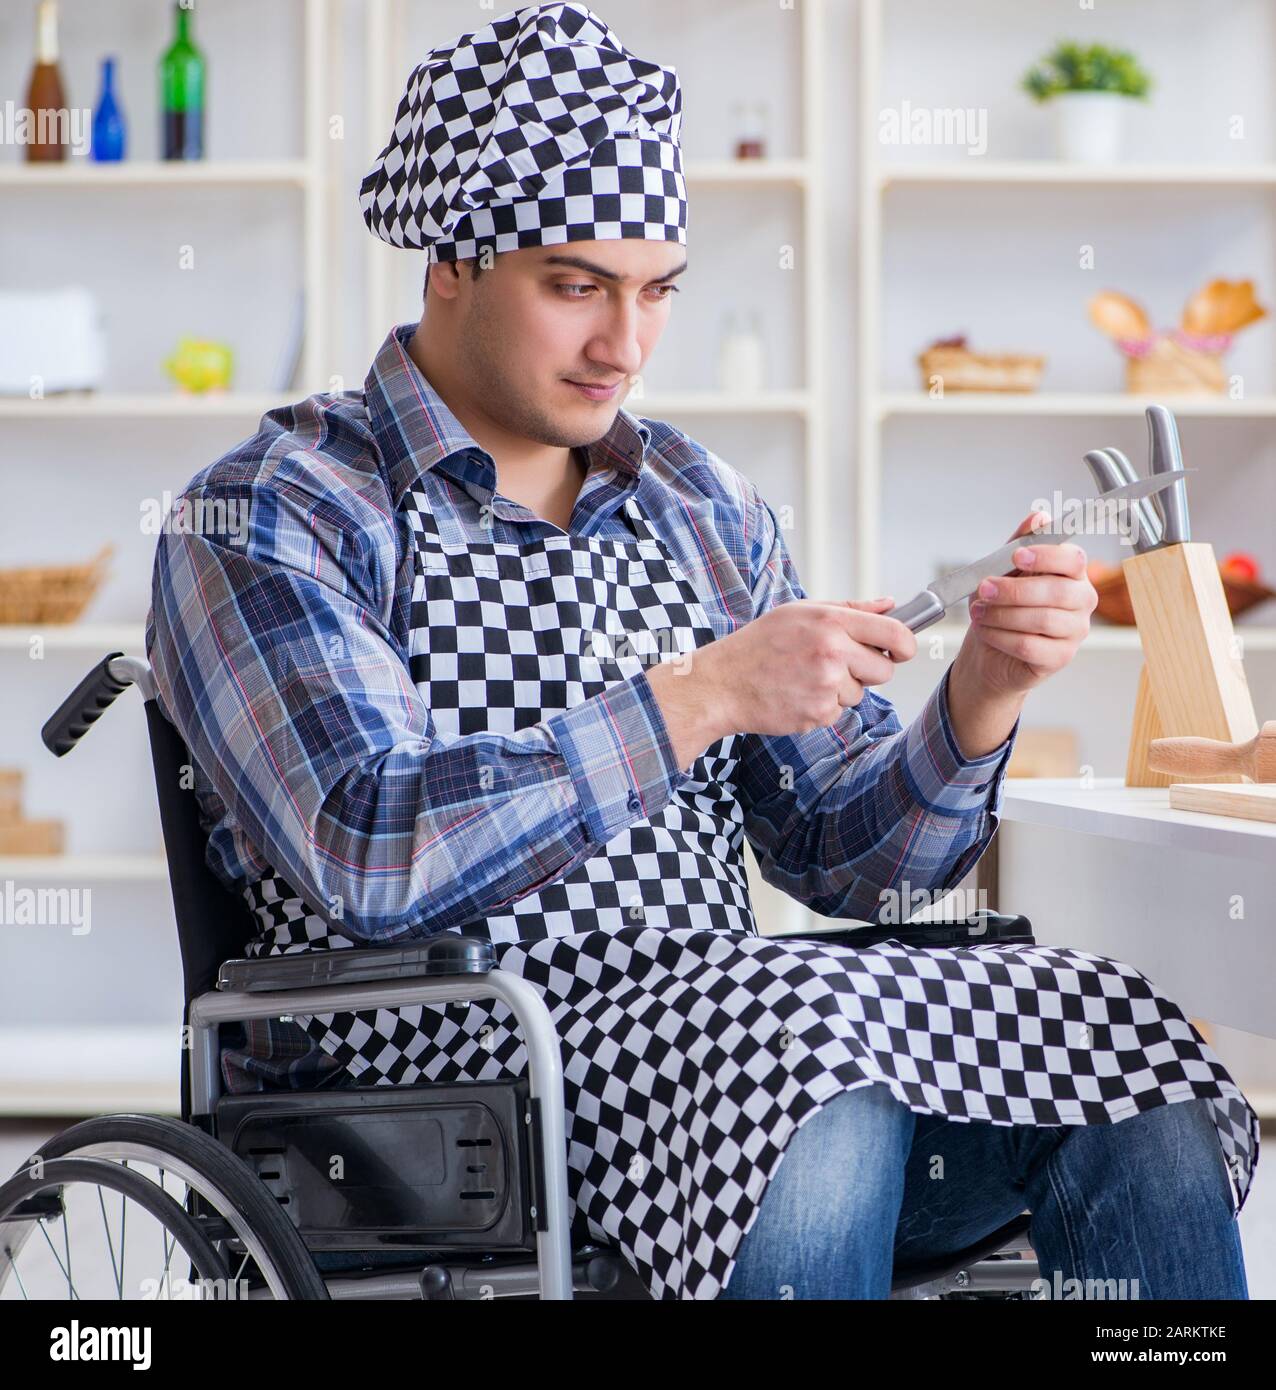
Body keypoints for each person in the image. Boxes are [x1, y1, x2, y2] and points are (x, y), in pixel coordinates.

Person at [146, 3, 1255, 1300]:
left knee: (1114, 1040)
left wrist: (977, 698)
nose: (626, 344)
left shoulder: (697, 504)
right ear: (450, 259)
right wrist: (698, 695)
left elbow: (854, 863)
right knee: (802, 1063)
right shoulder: (281, 509)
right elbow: (369, 848)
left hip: (717, 1061)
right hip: (436, 1090)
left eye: (657, 289)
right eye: (576, 285)